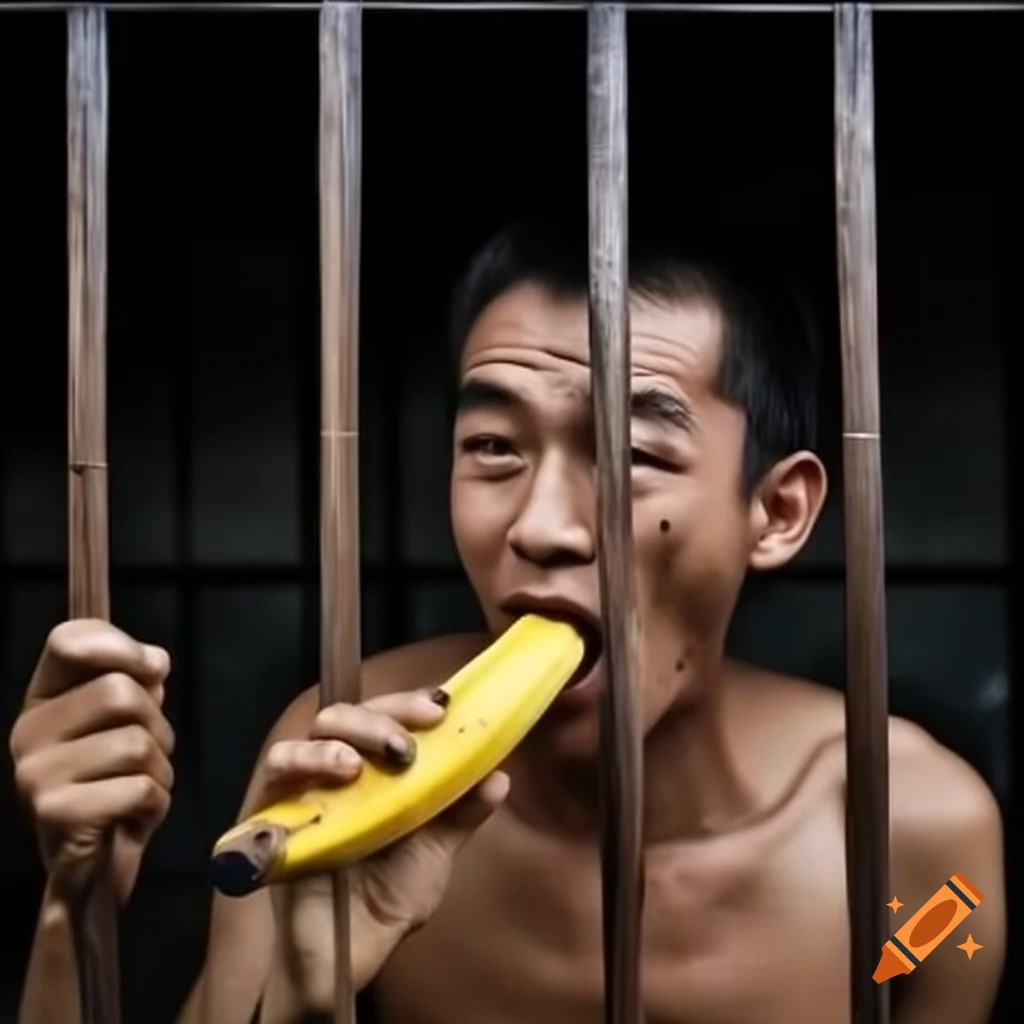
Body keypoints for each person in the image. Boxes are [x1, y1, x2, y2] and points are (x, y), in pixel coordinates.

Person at [10, 221, 1005, 1024]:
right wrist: (77, 905)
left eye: (632, 455)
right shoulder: (342, 761)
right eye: (492, 445)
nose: (540, 526)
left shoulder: (916, 844)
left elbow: (920, 955)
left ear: (776, 512)